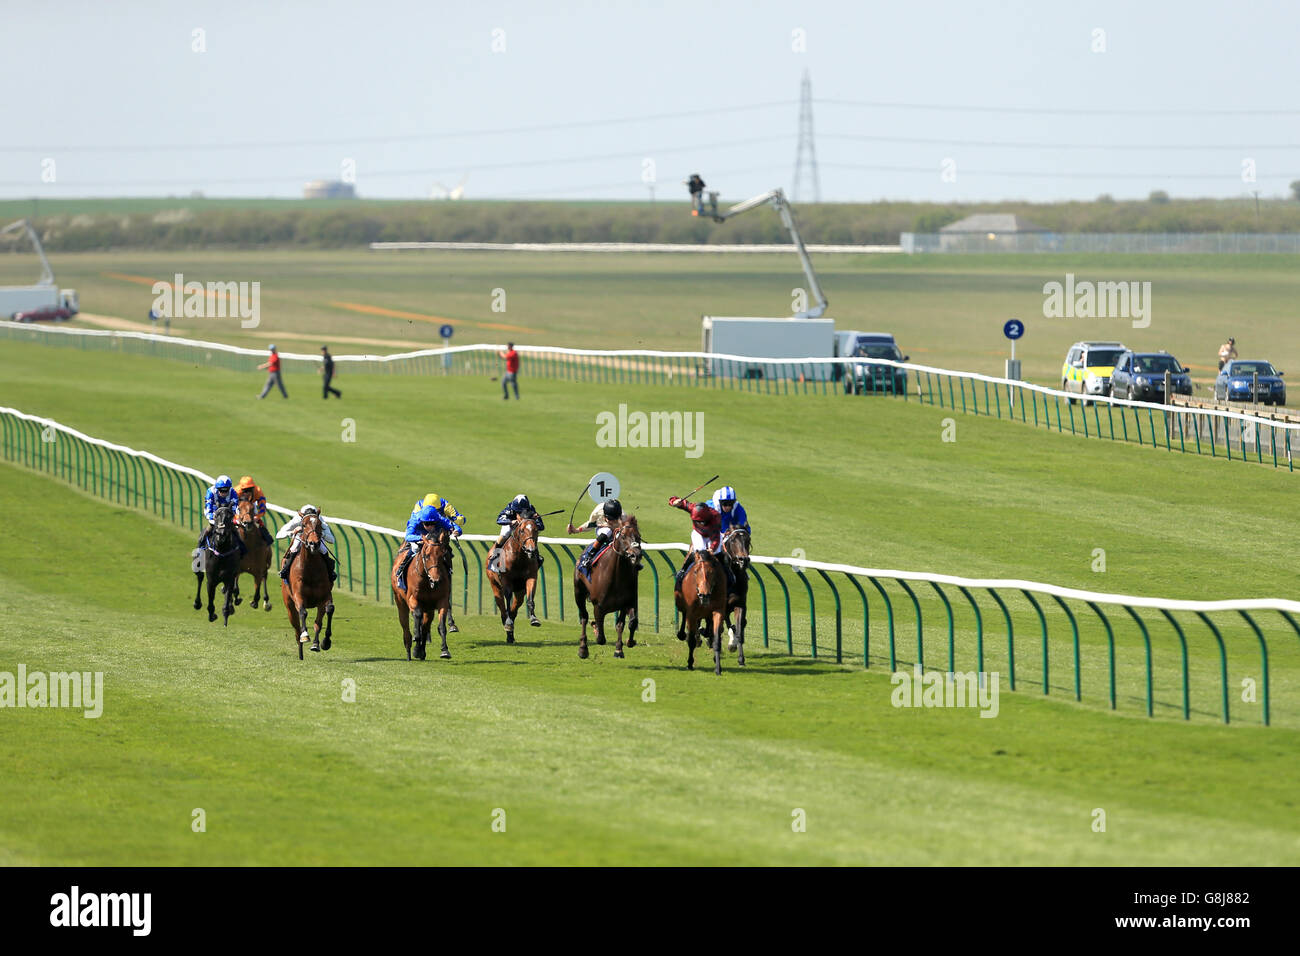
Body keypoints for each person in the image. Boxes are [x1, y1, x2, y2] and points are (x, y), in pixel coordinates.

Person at [668, 494, 727, 588]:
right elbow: (681, 502)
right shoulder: (693, 508)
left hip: (713, 534)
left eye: (701, 522)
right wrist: (674, 502)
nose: (699, 523)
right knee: (699, 551)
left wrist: (712, 548)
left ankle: (728, 575)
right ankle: (683, 571)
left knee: (717, 552)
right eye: (697, 521)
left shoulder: (715, 517)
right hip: (698, 534)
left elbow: (716, 537)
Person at [394, 503, 458, 591]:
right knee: (414, 549)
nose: (430, 526)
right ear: (422, 521)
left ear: (436, 520)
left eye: (433, 523)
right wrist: (421, 538)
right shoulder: (415, 520)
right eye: (427, 524)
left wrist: (457, 531)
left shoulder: (439, 519)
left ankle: (448, 571)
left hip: (432, 540)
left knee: (442, 551)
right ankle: (401, 572)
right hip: (418, 538)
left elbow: (454, 526)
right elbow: (408, 536)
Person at [276, 504, 337, 582]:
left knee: (323, 549)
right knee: (294, 548)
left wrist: (322, 534)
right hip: (301, 536)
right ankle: (285, 570)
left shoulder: (319, 520)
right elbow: (278, 535)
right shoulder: (297, 519)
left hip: (316, 536)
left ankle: (330, 572)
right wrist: (292, 532)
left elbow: (332, 540)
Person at [570, 498, 628, 577]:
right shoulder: (598, 511)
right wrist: (577, 530)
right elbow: (590, 525)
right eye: (610, 519)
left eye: (615, 519)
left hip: (617, 532)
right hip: (602, 530)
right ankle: (588, 557)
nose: (613, 522)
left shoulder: (624, 517)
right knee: (607, 531)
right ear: (604, 515)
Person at [488, 494, 545, 571]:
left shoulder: (531, 508)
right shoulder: (510, 508)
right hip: (511, 525)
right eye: (519, 512)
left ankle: (537, 557)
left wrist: (535, 520)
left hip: (524, 527)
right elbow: (499, 520)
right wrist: (510, 521)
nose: (521, 514)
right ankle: (495, 559)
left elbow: (541, 526)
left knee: (531, 535)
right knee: (505, 534)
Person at [197, 475, 246, 555]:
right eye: (221, 490)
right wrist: (212, 517)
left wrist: (233, 518)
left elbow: (235, 508)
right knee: (207, 530)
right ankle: (200, 551)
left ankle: (242, 550)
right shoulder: (211, 492)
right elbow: (208, 507)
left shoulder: (233, 493)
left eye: (226, 490)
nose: (223, 493)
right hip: (214, 514)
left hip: (227, 515)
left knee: (235, 531)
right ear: (217, 488)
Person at [234, 475, 275, 546]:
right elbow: (231, 508)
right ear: (241, 489)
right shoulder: (236, 492)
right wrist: (236, 517)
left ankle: (267, 540)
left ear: (253, 488)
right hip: (238, 507)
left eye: (250, 490)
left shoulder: (258, 491)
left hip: (251, 505)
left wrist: (257, 517)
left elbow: (262, 508)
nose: (247, 493)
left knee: (260, 524)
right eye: (245, 490)